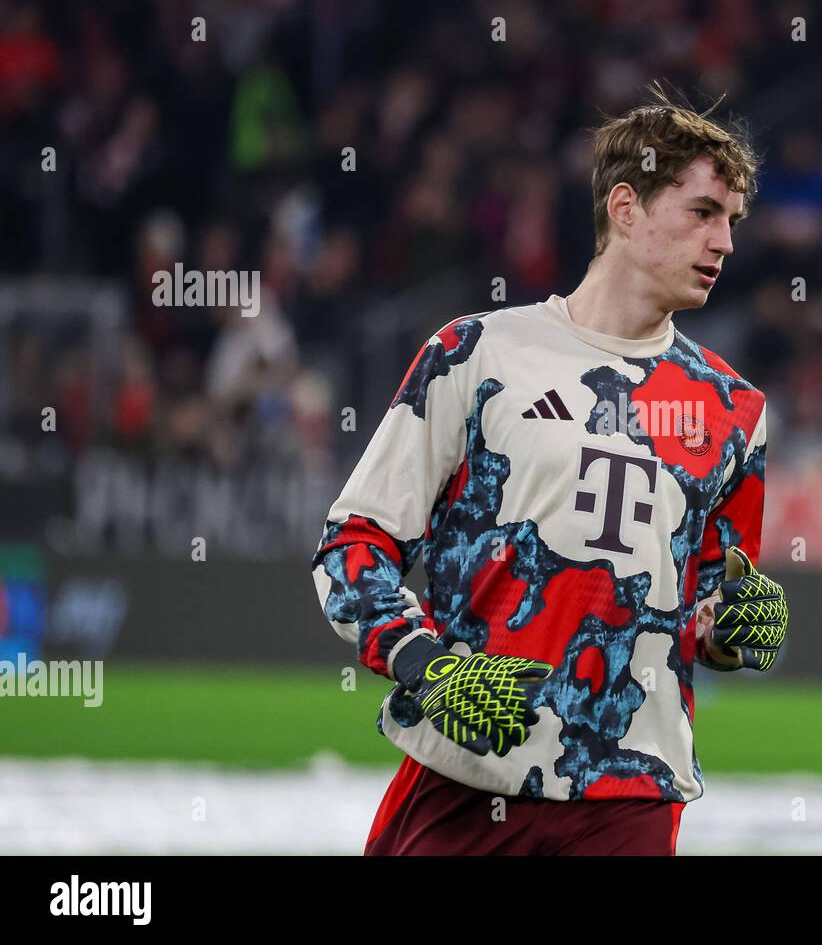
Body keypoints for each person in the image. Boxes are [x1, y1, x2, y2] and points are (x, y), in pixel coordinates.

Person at [310, 82, 789, 855]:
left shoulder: (735, 409)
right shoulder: (476, 353)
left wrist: (734, 625)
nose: (725, 242)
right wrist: (427, 668)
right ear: (626, 208)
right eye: (703, 212)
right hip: (468, 776)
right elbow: (352, 544)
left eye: (732, 221)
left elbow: (707, 606)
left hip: (632, 791)